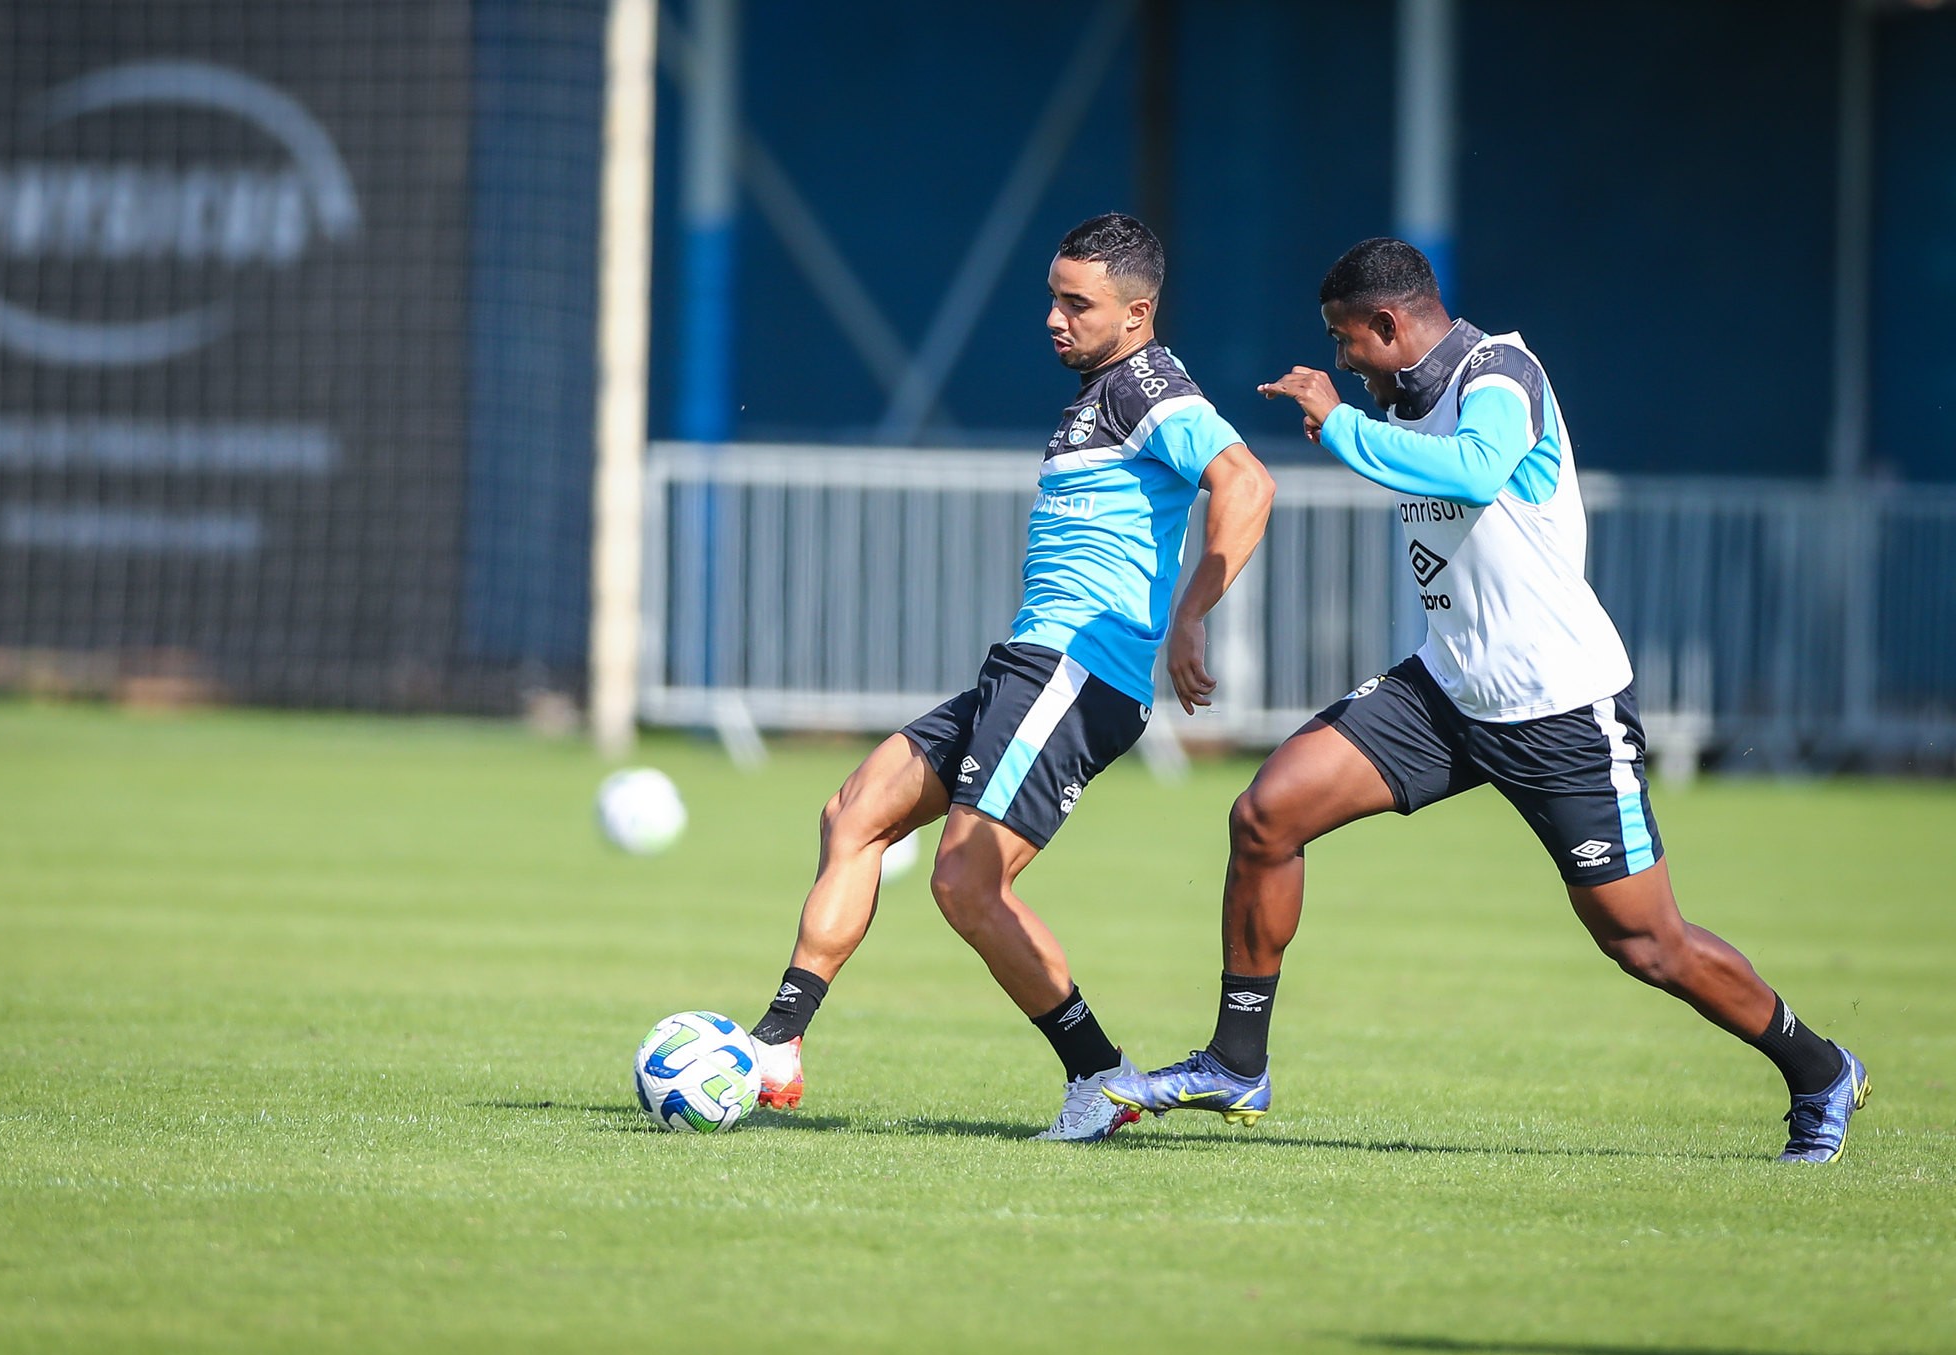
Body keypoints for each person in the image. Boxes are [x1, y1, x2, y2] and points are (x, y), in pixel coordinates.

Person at [1103, 237, 1869, 1162]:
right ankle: (1236, 1061)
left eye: (1349, 343)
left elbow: (1473, 468)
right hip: (1448, 691)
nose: (1344, 363)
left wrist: (1338, 422)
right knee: (1267, 816)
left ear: (1390, 326)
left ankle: (1819, 1070)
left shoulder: (1500, 368)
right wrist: (1351, 421)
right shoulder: (1404, 396)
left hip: (1558, 710)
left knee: (1647, 945)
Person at [745, 212, 1275, 1141]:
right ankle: (777, 1045)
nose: (1055, 318)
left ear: (1138, 313)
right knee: (855, 812)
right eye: (1053, 298)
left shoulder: (1148, 383)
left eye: (1079, 303)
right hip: (1029, 665)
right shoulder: (1102, 389)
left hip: (1079, 672)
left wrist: (1192, 614)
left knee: (964, 881)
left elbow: (1246, 482)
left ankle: (1099, 1079)